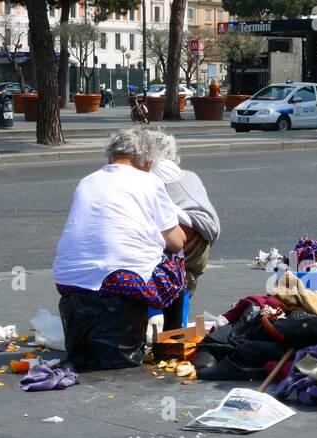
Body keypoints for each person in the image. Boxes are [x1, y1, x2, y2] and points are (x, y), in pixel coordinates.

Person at [53, 127, 188, 368]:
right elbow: (176, 240)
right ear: (147, 161)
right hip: (122, 280)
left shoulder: (87, 181)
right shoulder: (149, 181)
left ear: (111, 156)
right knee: (177, 260)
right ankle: (169, 349)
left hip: (68, 280)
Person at [147, 132, 221, 330]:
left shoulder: (146, 179)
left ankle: (158, 330)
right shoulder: (190, 177)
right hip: (198, 250)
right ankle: (171, 332)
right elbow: (211, 224)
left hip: (180, 251)